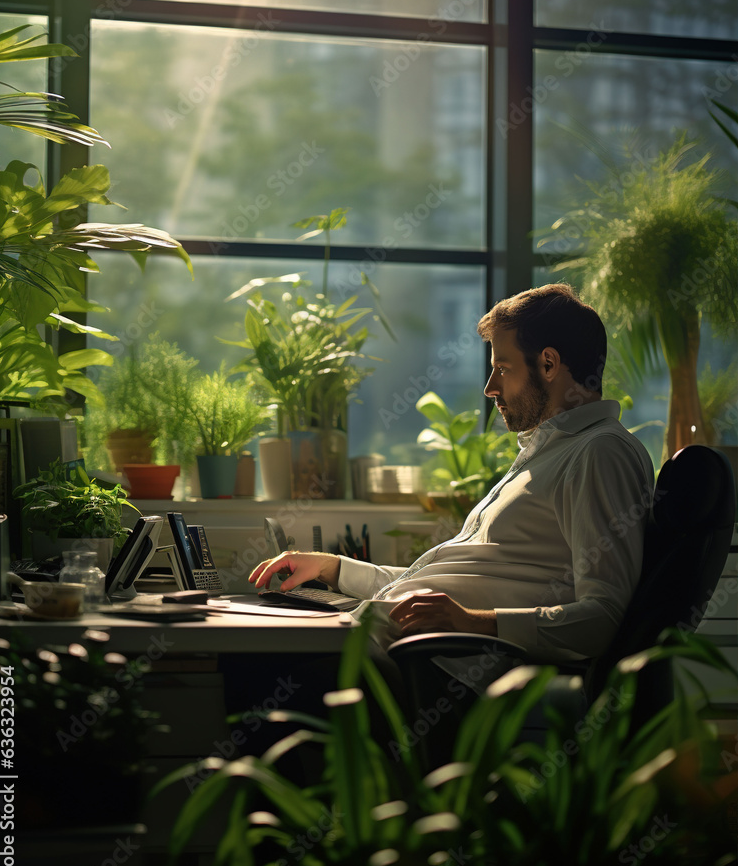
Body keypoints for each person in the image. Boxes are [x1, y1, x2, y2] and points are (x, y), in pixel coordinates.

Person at [250, 283, 654, 679]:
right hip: (390, 641)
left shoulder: (599, 454)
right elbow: (437, 589)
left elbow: (604, 618)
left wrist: (476, 622)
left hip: (433, 666)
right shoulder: (548, 454)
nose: (489, 387)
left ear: (548, 364)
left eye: (502, 368)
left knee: (248, 664)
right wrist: (333, 568)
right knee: (249, 645)